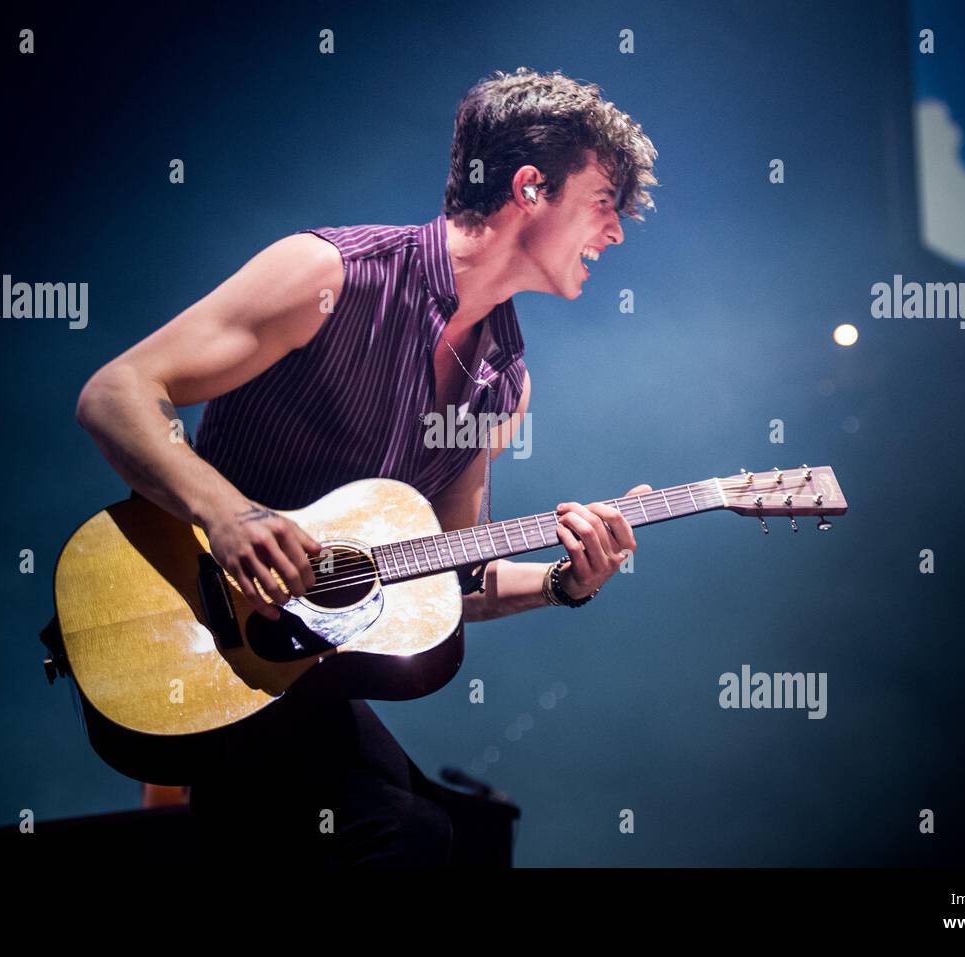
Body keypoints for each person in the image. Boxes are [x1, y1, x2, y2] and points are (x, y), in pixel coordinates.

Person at [75, 66, 659, 867]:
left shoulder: (503, 382)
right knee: (405, 831)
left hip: (290, 675)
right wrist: (228, 514)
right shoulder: (329, 274)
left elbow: (453, 577)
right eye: (603, 202)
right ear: (530, 187)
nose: (616, 232)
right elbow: (116, 394)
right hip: (188, 638)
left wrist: (566, 581)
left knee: (465, 838)